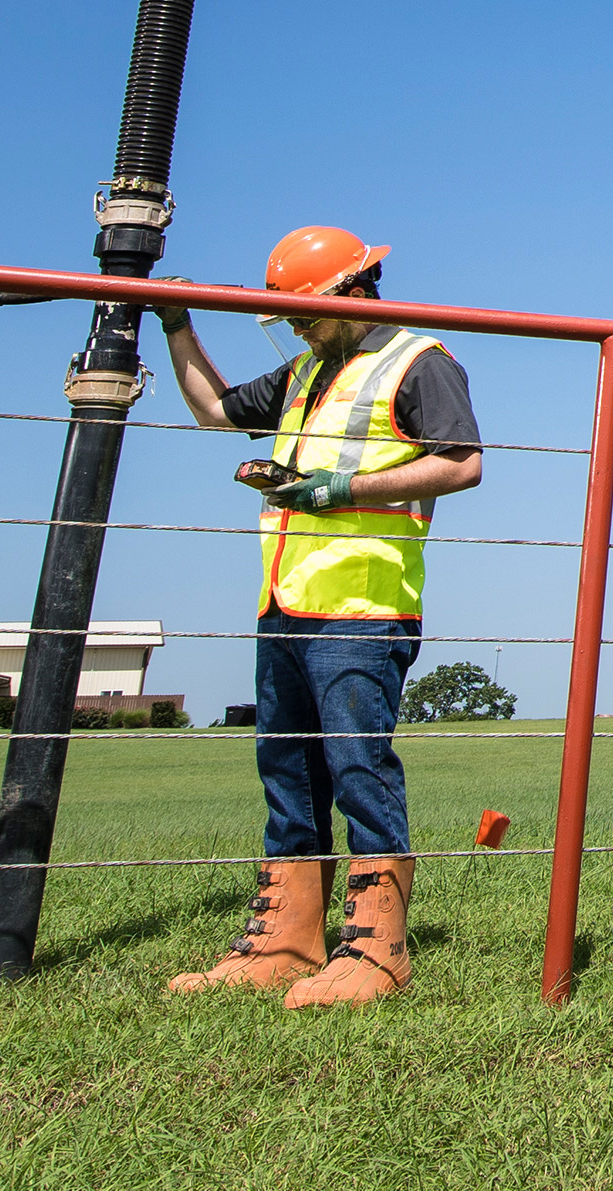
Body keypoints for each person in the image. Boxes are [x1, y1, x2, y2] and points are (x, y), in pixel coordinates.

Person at [159, 227, 482, 1008]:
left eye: (305, 314)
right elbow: (213, 411)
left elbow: (464, 462)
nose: (297, 327)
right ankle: (286, 939)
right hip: (285, 601)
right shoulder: (308, 367)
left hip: (364, 607)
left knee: (357, 767)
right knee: (287, 772)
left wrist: (338, 494)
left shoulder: (419, 360)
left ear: (354, 293)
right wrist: (176, 325)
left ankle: (378, 950)